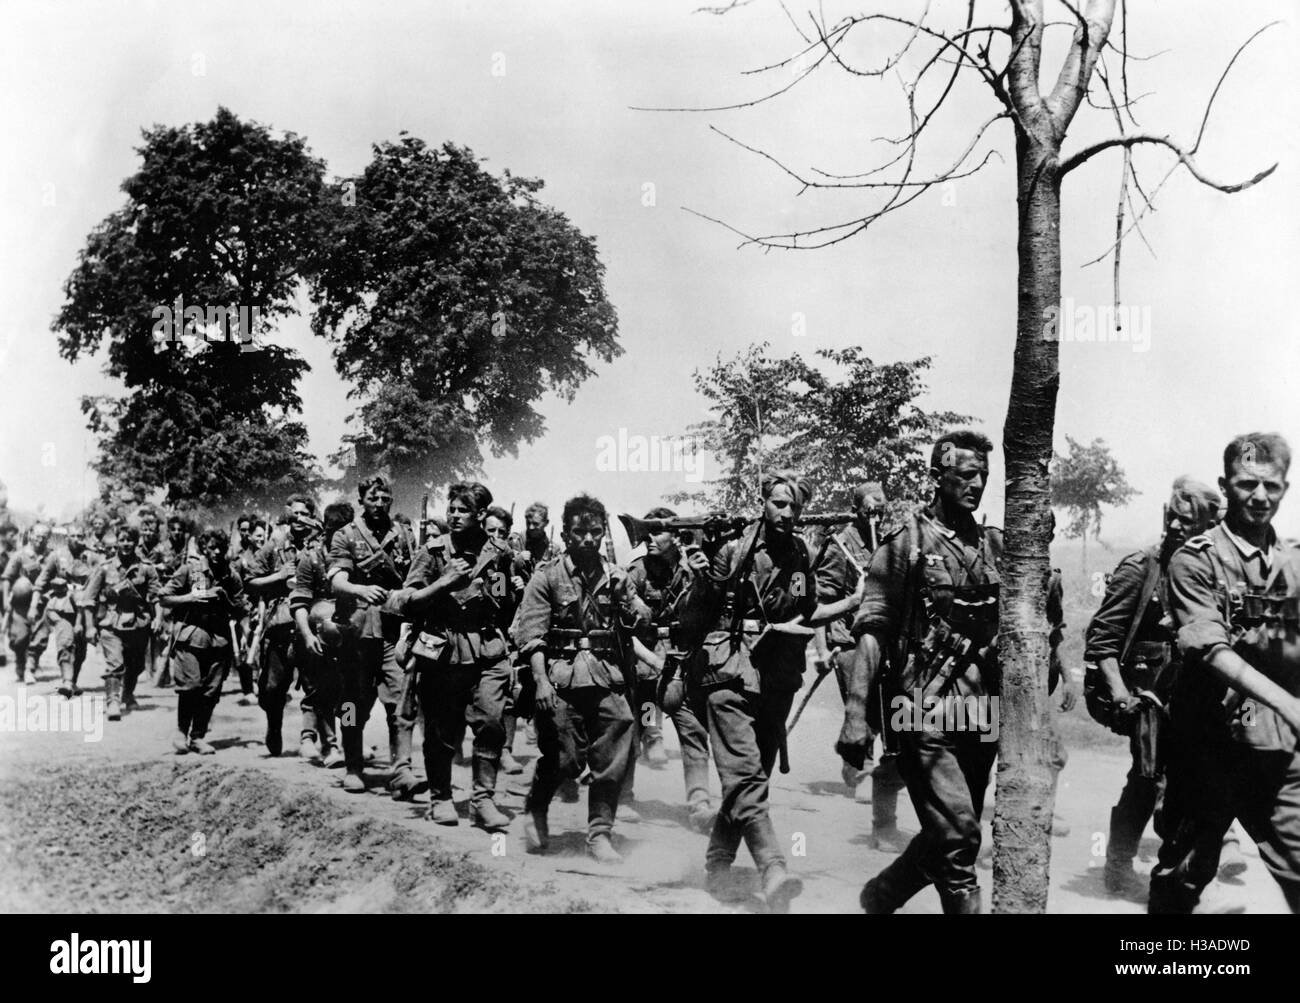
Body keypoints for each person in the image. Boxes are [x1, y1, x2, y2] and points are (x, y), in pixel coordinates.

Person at [681, 471, 861, 913]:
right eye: (779, 503)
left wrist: (854, 602)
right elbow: (694, 613)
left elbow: (810, 609)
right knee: (744, 775)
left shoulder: (801, 551)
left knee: (751, 778)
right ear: (763, 502)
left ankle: (718, 862)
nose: (787, 513)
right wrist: (701, 578)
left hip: (776, 675)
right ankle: (773, 869)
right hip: (728, 670)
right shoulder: (732, 549)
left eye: (794, 507)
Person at [843, 430, 1002, 915]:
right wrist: (855, 715)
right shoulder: (906, 543)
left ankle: (881, 896)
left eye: (983, 476)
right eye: (967, 475)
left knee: (949, 831)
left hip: (980, 712)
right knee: (959, 840)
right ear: (938, 477)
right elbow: (872, 629)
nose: (977, 485)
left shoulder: (993, 544)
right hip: (920, 710)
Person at [1150, 434, 1300, 914]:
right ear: (1225, 486)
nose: (1260, 496)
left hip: (1276, 748)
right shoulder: (1195, 558)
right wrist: (1290, 703)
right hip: (1207, 746)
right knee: (1185, 873)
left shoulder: (1295, 561)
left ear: (1285, 488)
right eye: (1246, 484)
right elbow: (1210, 649)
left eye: (1271, 486)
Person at [1085, 476, 1224, 896]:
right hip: (1145, 695)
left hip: (1191, 693)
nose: (1179, 528)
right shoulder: (1141, 567)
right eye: (1175, 518)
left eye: (1192, 523)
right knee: (1150, 778)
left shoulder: (1204, 572)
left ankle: (1179, 873)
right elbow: (1103, 641)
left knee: (1189, 778)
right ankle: (1118, 863)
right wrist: (1122, 695)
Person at [513, 493, 652, 864]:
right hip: (561, 676)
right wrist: (541, 682)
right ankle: (536, 806)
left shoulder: (616, 575)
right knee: (565, 760)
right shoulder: (547, 576)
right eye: (580, 532)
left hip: (607, 675)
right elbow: (532, 637)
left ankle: (599, 834)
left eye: (594, 531)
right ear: (566, 534)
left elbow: (644, 620)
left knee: (613, 754)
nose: (588, 539)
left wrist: (627, 598)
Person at [396, 482, 516, 830]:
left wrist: (497, 592)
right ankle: (441, 797)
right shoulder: (433, 551)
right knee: (441, 729)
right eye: (452, 509)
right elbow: (405, 601)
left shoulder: (498, 553)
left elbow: (503, 601)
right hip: (442, 648)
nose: (454, 515)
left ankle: (482, 800)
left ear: (481, 515)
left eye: (463, 510)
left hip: (486, 648)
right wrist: (443, 585)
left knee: (492, 723)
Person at [625, 506, 717, 833]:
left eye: (656, 533)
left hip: (681, 658)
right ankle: (623, 796)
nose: (648, 539)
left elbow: (707, 612)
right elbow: (622, 629)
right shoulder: (635, 572)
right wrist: (651, 659)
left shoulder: (691, 567)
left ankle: (699, 803)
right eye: (645, 533)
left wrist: (703, 576)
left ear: (674, 536)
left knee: (693, 731)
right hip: (643, 658)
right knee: (631, 727)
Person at [328, 474, 419, 795]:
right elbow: (337, 580)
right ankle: (353, 766)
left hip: (395, 631)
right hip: (357, 632)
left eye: (385, 499)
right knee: (353, 703)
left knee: (400, 702)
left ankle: (401, 771)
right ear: (362, 500)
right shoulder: (346, 535)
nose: (380, 504)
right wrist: (359, 588)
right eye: (373, 499)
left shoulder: (405, 535)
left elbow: (414, 578)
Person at [159, 527, 250, 754]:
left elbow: (241, 609)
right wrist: (191, 597)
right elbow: (163, 597)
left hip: (219, 639)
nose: (217, 552)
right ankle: (181, 731)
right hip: (191, 635)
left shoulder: (231, 575)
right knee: (190, 686)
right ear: (204, 549)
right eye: (212, 548)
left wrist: (225, 599)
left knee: (211, 690)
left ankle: (198, 736)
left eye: (221, 547)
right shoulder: (191, 570)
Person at [247, 494, 320, 756]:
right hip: (281, 624)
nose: (299, 518)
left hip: (312, 624)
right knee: (272, 689)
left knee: (318, 685)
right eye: (295, 513)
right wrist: (278, 576)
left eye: (305, 513)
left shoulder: (320, 544)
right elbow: (251, 581)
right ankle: (273, 726)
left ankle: (312, 738)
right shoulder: (275, 545)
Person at [290, 502, 352, 768]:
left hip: (351, 633)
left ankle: (351, 741)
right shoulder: (311, 557)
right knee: (323, 690)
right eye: (333, 529)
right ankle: (331, 743)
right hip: (318, 632)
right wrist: (306, 636)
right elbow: (299, 602)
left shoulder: (357, 555)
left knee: (350, 693)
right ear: (325, 529)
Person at [82, 527, 160, 720]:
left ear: (136, 542)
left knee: (136, 664)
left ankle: (128, 693)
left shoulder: (146, 567)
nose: (126, 544)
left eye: (130, 540)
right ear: (117, 542)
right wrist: (90, 626)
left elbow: (156, 596)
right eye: (122, 540)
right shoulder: (105, 568)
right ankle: (113, 702)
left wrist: (158, 617)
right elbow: (88, 599)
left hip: (138, 623)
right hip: (111, 623)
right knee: (115, 664)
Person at [33, 523, 97, 698]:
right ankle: (67, 681)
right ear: (68, 537)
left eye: (81, 536)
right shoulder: (57, 556)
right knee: (65, 642)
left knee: (81, 650)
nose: (77, 540)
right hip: (63, 608)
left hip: (84, 610)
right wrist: (33, 606)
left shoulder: (91, 556)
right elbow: (41, 581)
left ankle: (72, 679)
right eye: (74, 536)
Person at [2, 521, 54, 682]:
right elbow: (7, 578)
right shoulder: (20, 555)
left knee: (40, 637)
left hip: (42, 603)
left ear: (48, 538)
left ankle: (30, 667)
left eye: (44, 536)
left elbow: (57, 578)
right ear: (31, 535)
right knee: (19, 639)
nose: (40, 539)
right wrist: (5, 600)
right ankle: (20, 662)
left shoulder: (51, 557)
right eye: (37, 535)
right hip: (20, 604)